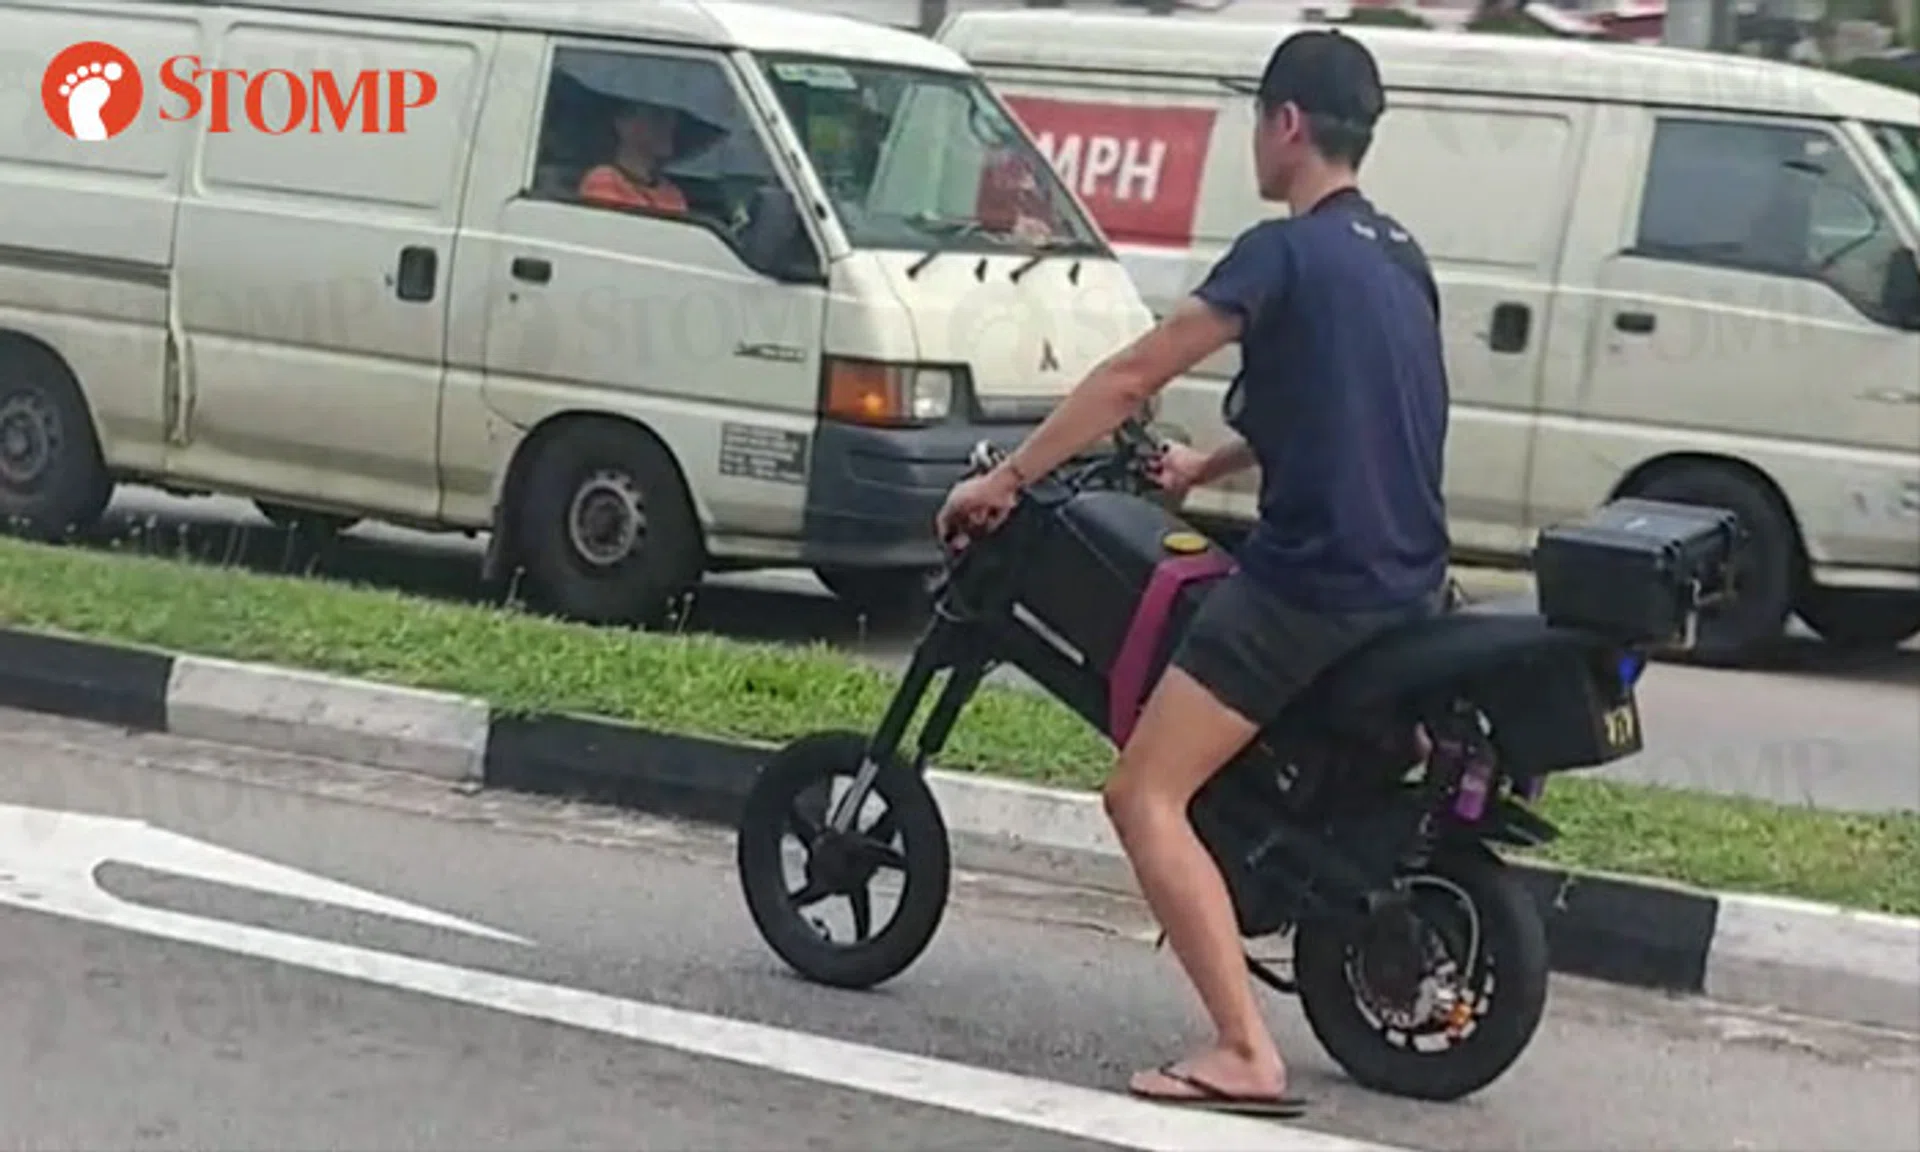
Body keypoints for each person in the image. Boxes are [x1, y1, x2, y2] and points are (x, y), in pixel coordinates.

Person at [934, 30, 1450, 1115]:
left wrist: (1009, 479)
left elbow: (1133, 376)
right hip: (1409, 582)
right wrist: (1204, 467)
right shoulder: (1401, 255)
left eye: (1257, 119)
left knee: (1142, 792)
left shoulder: (1281, 251)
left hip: (1312, 588)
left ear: (1288, 124)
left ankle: (1243, 1050)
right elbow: (1340, 412)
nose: (1252, 140)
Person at [579, 99, 690, 216]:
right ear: (623, 125)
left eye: (673, 120)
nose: (669, 128)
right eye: (658, 117)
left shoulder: (671, 193)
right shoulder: (603, 181)